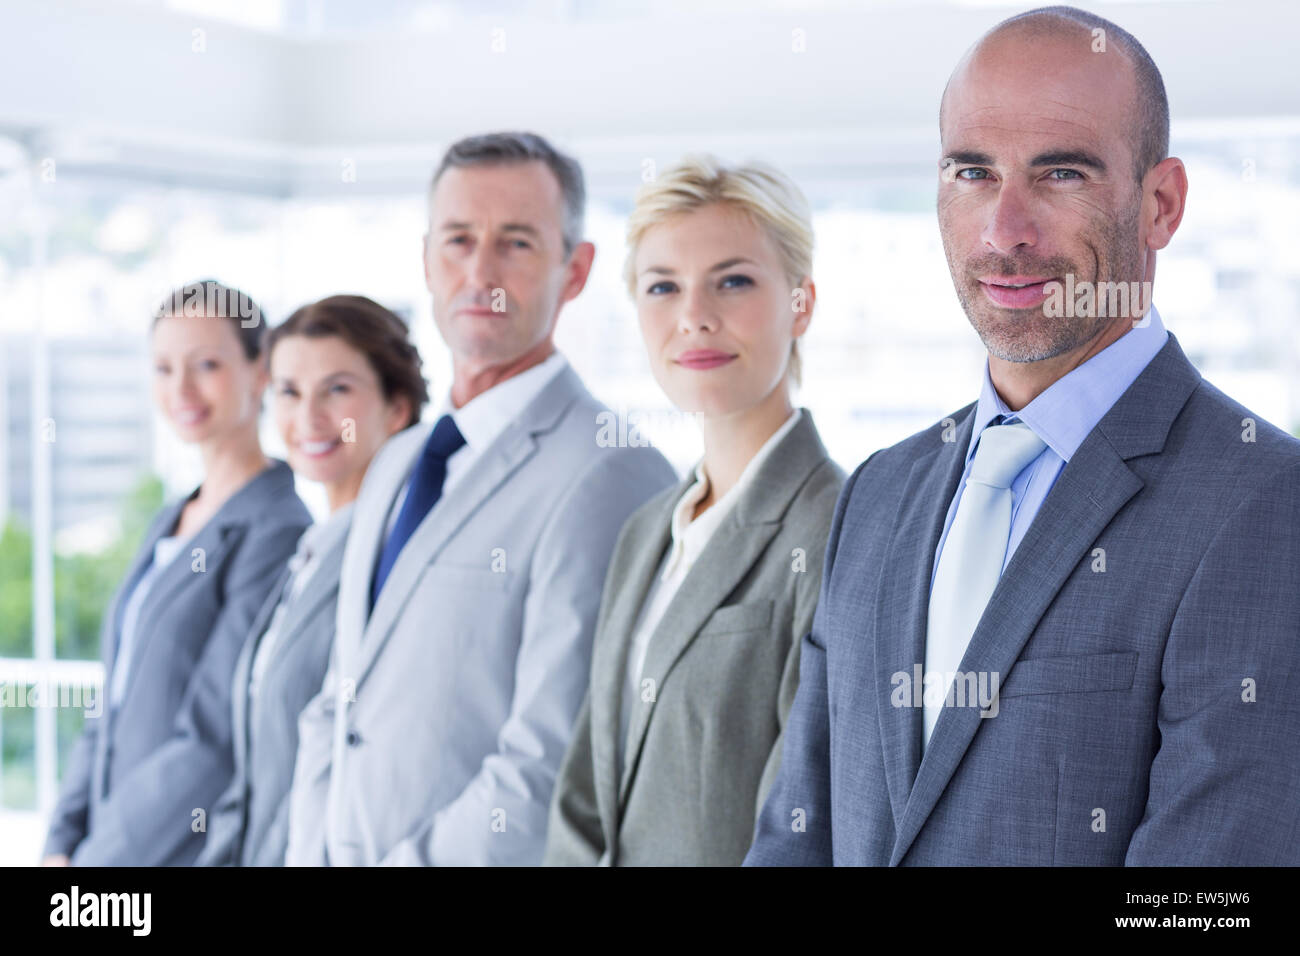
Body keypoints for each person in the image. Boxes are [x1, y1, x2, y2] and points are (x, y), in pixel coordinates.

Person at [746, 4, 1300, 866]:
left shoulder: (1263, 502)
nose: (1005, 232)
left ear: (1161, 205)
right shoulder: (878, 495)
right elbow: (794, 837)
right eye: (972, 172)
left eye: (1062, 175)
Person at [285, 131, 677, 867]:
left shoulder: (610, 470)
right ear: (426, 257)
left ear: (577, 268)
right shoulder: (398, 460)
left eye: (517, 243)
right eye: (458, 240)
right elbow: (338, 706)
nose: (480, 272)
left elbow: (550, 763)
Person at [544, 156, 845, 866]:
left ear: (800, 302)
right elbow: (586, 790)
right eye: (662, 288)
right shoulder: (647, 532)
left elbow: (804, 820)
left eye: (733, 281)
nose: (694, 318)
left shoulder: (837, 528)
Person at [41, 279, 312, 866]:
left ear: (259, 370)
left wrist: (96, 865)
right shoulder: (171, 518)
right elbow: (107, 703)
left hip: (174, 851)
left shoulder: (277, 530)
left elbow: (214, 741)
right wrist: (61, 841)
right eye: (163, 368)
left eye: (206, 364)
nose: (180, 388)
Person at [197, 295, 428, 866]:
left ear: (397, 407)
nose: (308, 418)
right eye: (290, 392)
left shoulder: (389, 561)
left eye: (338, 390)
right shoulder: (313, 549)